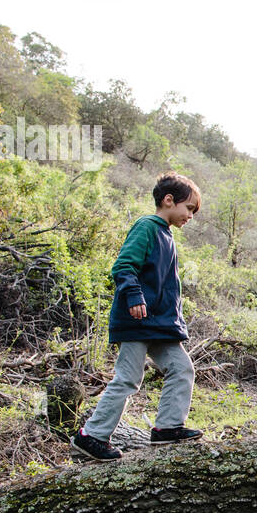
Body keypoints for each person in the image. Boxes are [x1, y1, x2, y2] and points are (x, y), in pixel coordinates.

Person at [71, 172, 204, 460]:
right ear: (169, 200)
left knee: (182, 368)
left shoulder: (166, 235)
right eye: (189, 208)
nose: (191, 216)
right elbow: (123, 266)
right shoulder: (147, 227)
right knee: (128, 378)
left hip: (159, 325)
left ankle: (168, 428)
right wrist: (134, 296)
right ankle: (91, 436)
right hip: (137, 320)